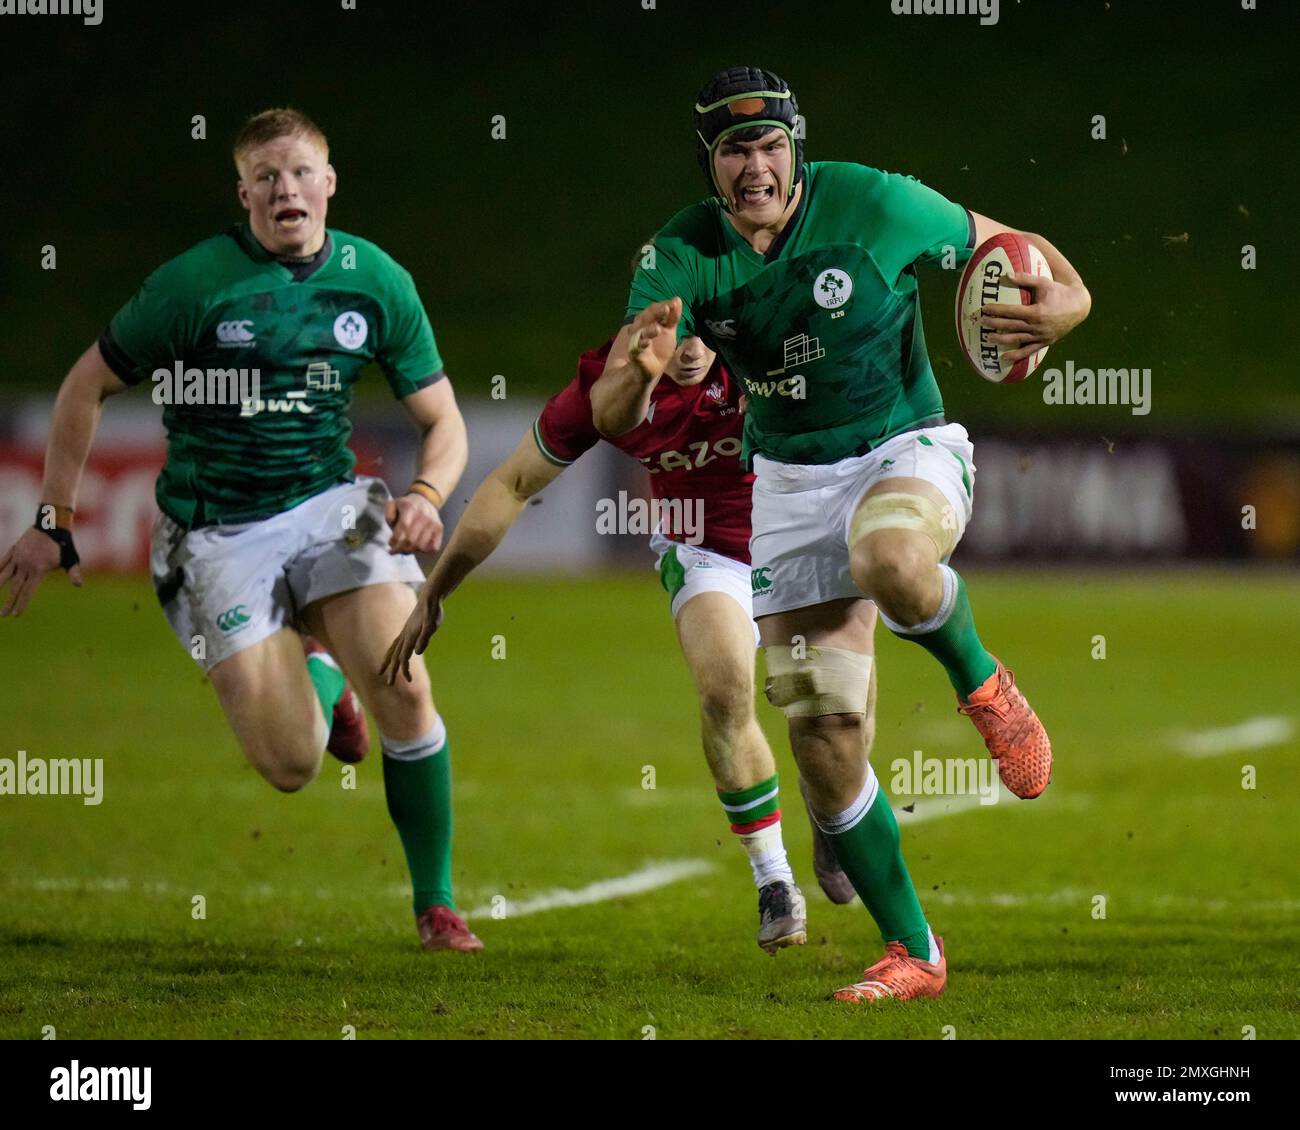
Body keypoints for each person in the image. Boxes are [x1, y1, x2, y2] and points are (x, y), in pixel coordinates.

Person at [601, 67, 1092, 1002]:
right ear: (709, 163)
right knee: (825, 748)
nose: (755, 167)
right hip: (784, 489)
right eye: (734, 150)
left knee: (892, 559)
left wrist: (1062, 310)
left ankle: (982, 683)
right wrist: (642, 366)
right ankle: (916, 952)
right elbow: (623, 403)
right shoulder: (678, 257)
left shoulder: (874, 200)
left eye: (770, 145)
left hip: (904, 450)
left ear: (797, 145)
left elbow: (1029, 260)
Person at [0, 108, 481, 953]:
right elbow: (83, 387)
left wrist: (428, 493)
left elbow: (443, 420)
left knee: (405, 687)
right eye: (265, 176)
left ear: (329, 183)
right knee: (293, 765)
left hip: (333, 506)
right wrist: (53, 521)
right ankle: (323, 678)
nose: (283, 189)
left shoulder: (377, 280)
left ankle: (436, 904)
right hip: (217, 533)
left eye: (299, 172)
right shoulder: (194, 285)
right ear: (244, 193)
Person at [382, 325, 860, 954]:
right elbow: (511, 485)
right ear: (640, 327)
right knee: (724, 687)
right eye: (672, 334)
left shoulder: (765, 353)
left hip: (801, 545)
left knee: (834, 723)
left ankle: (832, 805)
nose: (688, 350)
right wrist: (436, 590)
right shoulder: (606, 389)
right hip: (705, 551)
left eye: (701, 331)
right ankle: (773, 880)